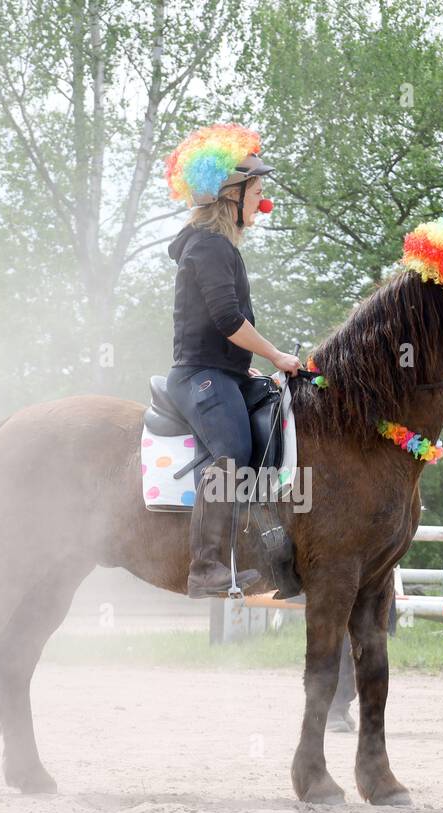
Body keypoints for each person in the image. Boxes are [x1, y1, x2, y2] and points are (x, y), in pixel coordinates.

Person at [163, 123, 302, 598]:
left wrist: (247, 368)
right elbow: (227, 321)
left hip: (226, 372)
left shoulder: (222, 249)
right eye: (257, 192)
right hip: (199, 376)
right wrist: (278, 356)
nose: (262, 202)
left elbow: (224, 329)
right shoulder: (208, 247)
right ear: (230, 196)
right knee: (233, 452)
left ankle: (272, 550)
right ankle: (204, 567)